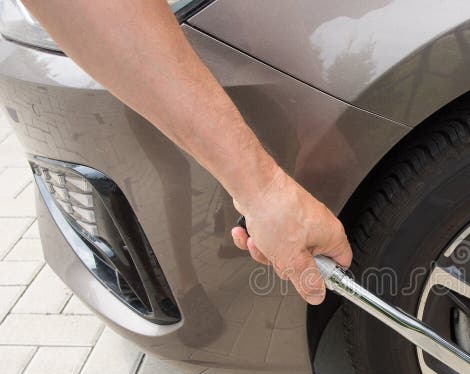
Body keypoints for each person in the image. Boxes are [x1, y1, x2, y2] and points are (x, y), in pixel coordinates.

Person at [20, 0, 353, 305]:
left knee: (202, 178)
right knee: (174, 181)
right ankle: (186, 285)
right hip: (159, 62)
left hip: (208, 67)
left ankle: (212, 255)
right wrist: (264, 190)